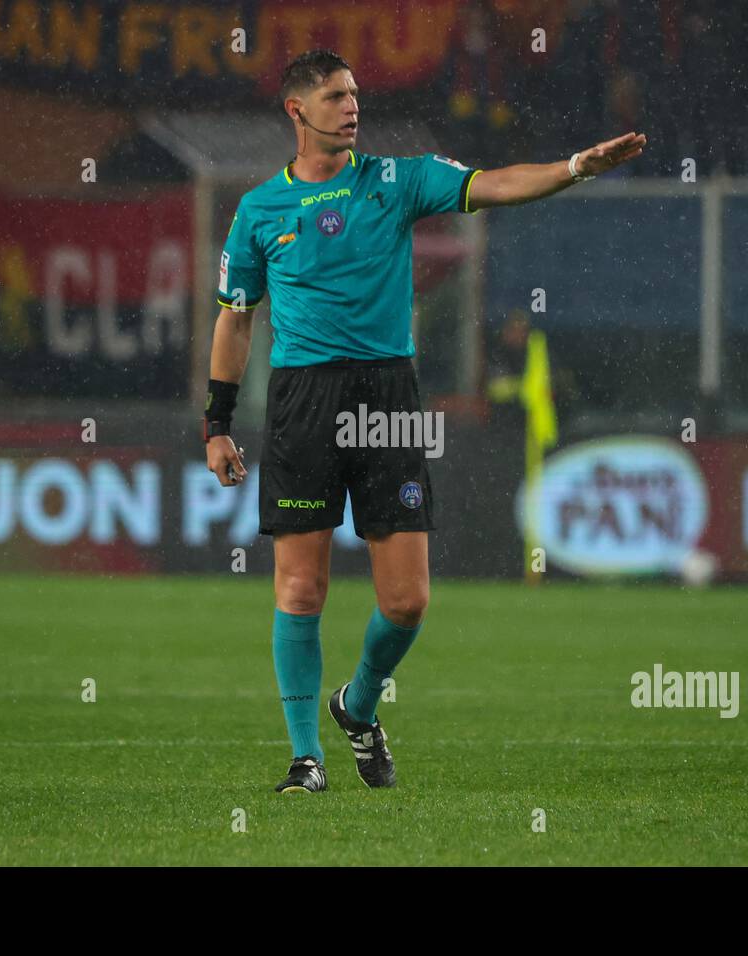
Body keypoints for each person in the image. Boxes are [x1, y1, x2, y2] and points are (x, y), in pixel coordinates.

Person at [202, 49, 645, 794]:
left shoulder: (396, 180)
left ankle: (360, 704)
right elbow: (234, 321)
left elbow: (492, 184)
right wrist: (216, 422)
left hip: (388, 397)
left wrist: (575, 167)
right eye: (336, 95)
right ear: (296, 110)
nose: (352, 107)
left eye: (355, 94)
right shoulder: (258, 210)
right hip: (303, 401)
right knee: (301, 588)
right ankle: (304, 759)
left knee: (407, 601)